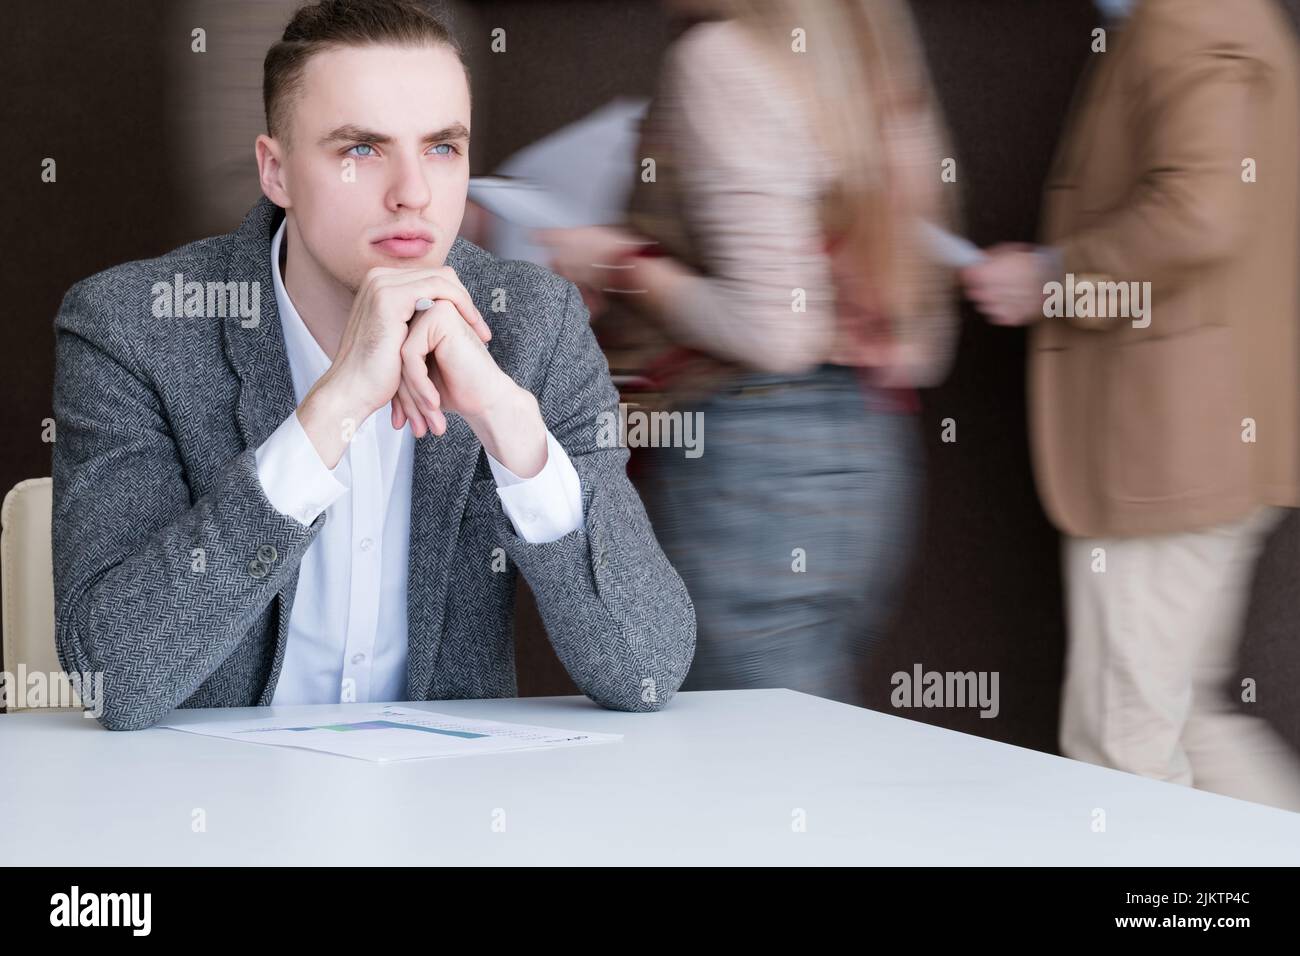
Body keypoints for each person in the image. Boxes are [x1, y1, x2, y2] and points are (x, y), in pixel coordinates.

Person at [51, 0, 695, 731]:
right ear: (276, 171)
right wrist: (329, 410)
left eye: (443, 148)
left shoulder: (534, 326)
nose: (413, 193)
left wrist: (517, 434)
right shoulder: (134, 327)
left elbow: (646, 670)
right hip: (215, 816)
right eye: (360, 149)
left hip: (441, 819)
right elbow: (114, 681)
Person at [539, 0, 958, 705]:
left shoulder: (722, 58)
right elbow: (917, 343)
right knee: (798, 749)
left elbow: (778, 332)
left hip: (756, 466)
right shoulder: (868, 60)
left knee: (761, 767)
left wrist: (625, 263)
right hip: (868, 454)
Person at [961, 0, 1300, 809]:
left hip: (1166, 446)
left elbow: (1201, 215)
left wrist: (1053, 275)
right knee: (1186, 725)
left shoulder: (1187, 18)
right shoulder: (1231, 17)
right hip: (1207, 443)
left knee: (1124, 749)